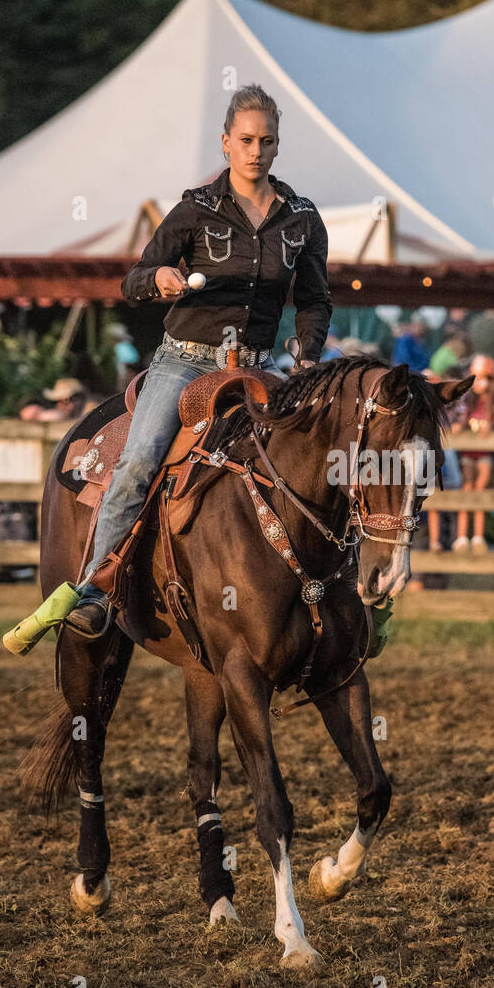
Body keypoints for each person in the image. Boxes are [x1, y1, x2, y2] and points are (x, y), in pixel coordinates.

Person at [66, 83, 331, 635]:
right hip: (185, 361)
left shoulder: (302, 219)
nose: (257, 150)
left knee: (313, 456)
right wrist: (158, 278)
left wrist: (306, 357)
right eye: (246, 140)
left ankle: (331, 587)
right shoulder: (194, 209)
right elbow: (133, 279)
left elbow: (313, 300)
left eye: (268, 140)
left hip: (260, 365)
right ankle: (95, 590)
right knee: (139, 461)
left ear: (278, 146)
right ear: (226, 143)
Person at [450, 355, 494, 553]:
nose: (483, 382)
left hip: (484, 452)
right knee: (467, 489)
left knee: (480, 491)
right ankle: (462, 536)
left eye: (486, 378)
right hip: (468, 451)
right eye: (479, 377)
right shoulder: (468, 397)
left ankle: (478, 536)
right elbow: (462, 419)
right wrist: (459, 426)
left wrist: (492, 423)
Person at [19, 379, 90, 423]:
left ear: (80, 399)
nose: (60, 405)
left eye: (65, 400)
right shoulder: (59, 416)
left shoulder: (90, 413)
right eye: (56, 401)